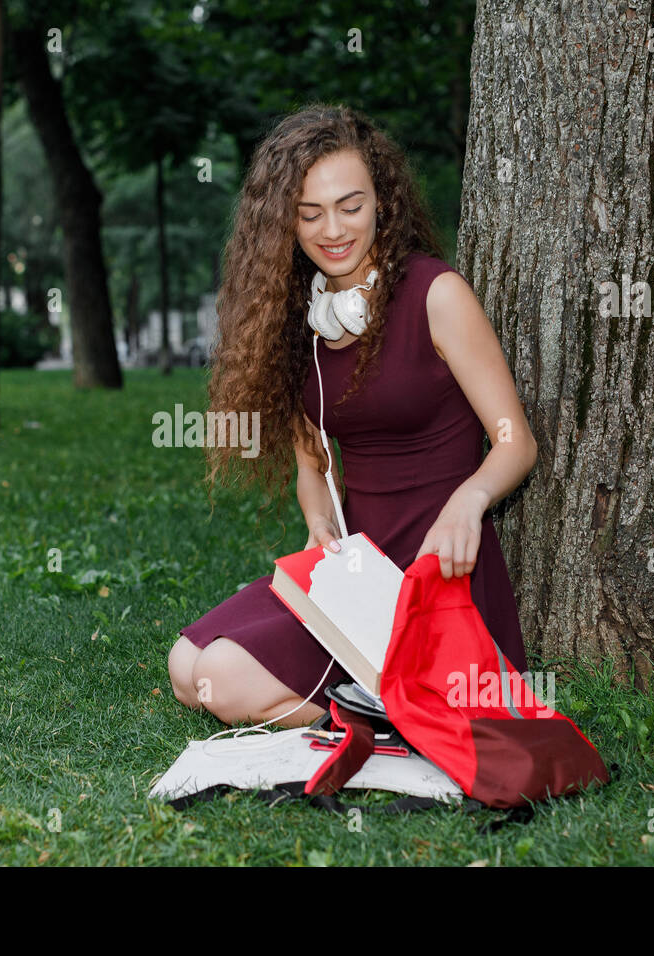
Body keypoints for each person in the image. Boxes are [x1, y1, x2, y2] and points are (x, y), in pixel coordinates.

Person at [167, 104, 537, 730]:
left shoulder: (435, 293)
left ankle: (399, 711)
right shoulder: (295, 320)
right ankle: (387, 711)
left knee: (224, 681)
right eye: (309, 214)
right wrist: (317, 525)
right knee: (187, 666)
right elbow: (312, 455)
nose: (332, 229)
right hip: (356, 571)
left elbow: (515, 442)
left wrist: (468, 502)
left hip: (433, 571)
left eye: (350, 206)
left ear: (382, 202)